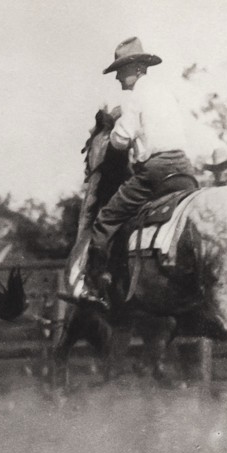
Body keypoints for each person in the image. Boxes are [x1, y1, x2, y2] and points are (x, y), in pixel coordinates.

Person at [65, 37, 198, 311]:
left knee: (106, 219)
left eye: (121, 70)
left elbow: (120, 140)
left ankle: (97, 288)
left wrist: (114, 127)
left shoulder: (136, 98)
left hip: (156, 170)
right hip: (185, 169)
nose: (117, 79)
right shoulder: (166, 93)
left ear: (137, 68)